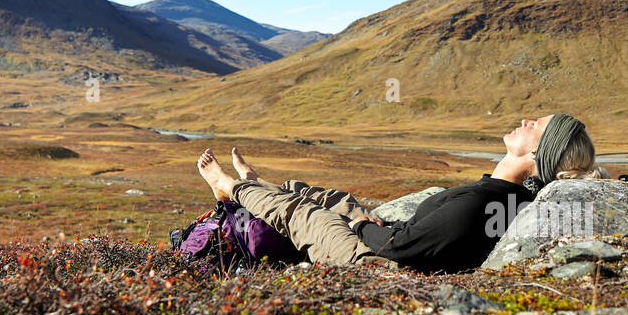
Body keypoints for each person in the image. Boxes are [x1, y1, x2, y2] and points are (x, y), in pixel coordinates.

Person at [194, 113, 596, 273]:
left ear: (534, 152)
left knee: (305, 213)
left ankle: (232, 187)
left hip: (373, 260)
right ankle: (258, 185)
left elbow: (398, 251)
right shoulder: (498, 194)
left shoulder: (480, 206)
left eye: (536, 124)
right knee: (330, 196)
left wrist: (359, 226)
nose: (525, 119)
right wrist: (366, 219)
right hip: (388, 234)